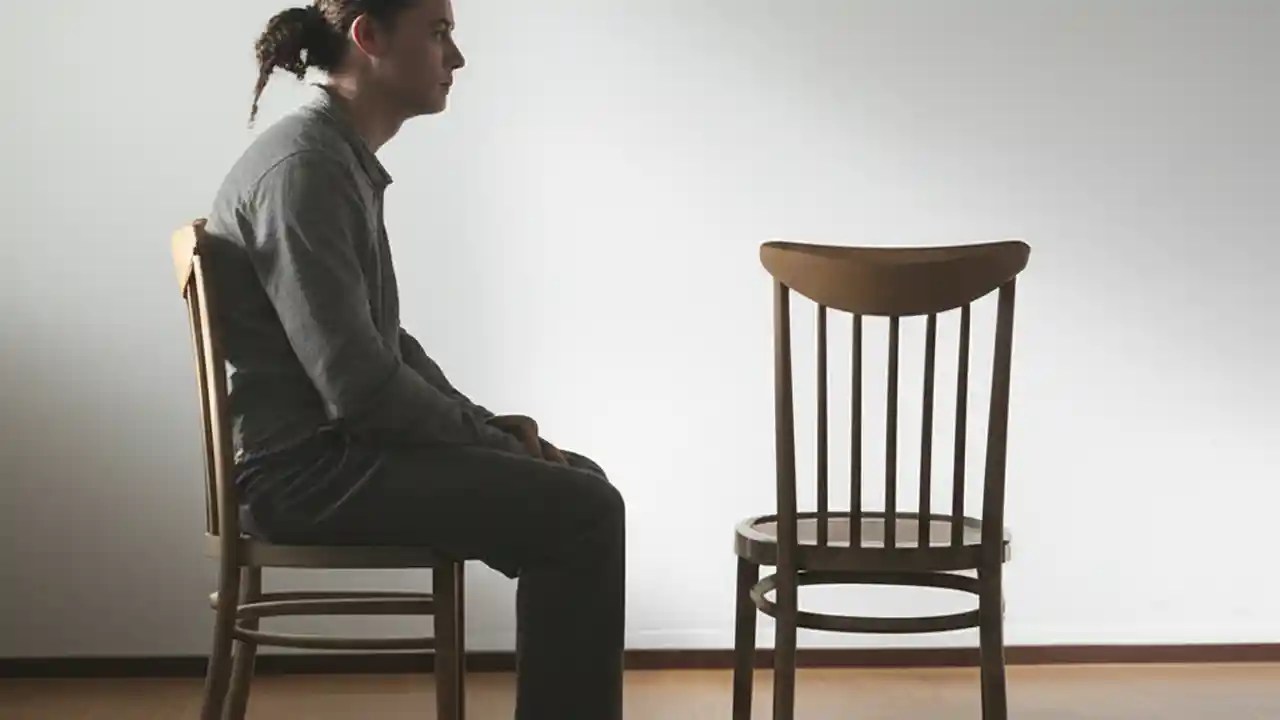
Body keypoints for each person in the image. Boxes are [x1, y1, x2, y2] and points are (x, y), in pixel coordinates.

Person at [201, 1, 625, 718]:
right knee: (583, 511)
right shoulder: (306, 167)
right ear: (367, 36)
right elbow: (361, 389)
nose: (455, 58)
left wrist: (488, 425)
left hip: (327, 455)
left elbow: (387, 346)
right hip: (303, 473)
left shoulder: (334, 157)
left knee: (578, 484)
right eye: (438, 33)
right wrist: (490, 442)